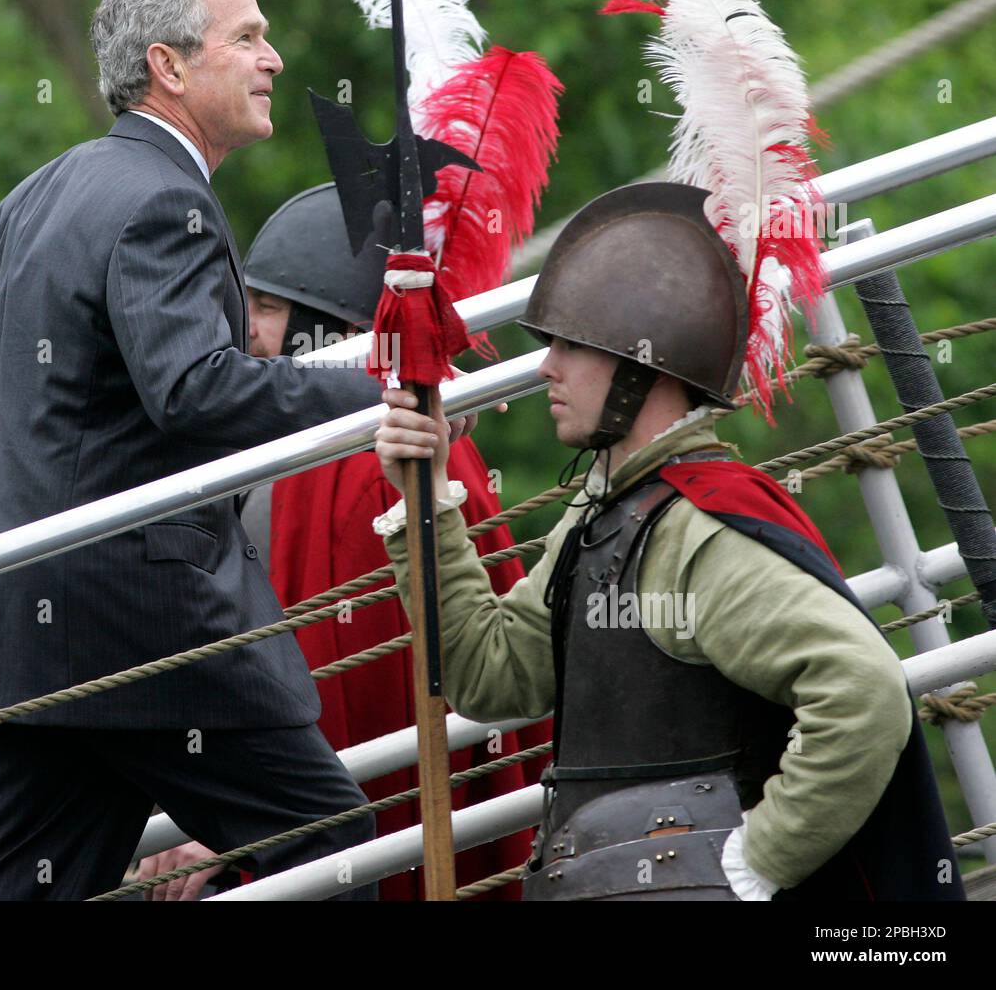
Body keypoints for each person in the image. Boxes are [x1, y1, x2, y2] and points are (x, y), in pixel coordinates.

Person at [0, 0, 482, 901]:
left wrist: (75, 404)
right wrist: (379, 395)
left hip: (28, 634)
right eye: (247, 38)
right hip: (147, 631)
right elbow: (195, 391)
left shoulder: (41, 191)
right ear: (169, 66)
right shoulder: (167, 199)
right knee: (333, 849)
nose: (275, 58)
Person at [373, 180, 965, 901]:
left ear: (638, 366)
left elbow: (865, 692)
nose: (545, 368)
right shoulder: (605, 511)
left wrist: (759, 862)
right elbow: (492, 673)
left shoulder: (699, 533)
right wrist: (427, 496)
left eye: (569, 344)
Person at [135, 183, 550, 899]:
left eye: (266, 308)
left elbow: (348, 695)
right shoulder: (302, 449)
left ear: (324, 325)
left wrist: (234, 824)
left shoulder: (360, 467)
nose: (249, 332)